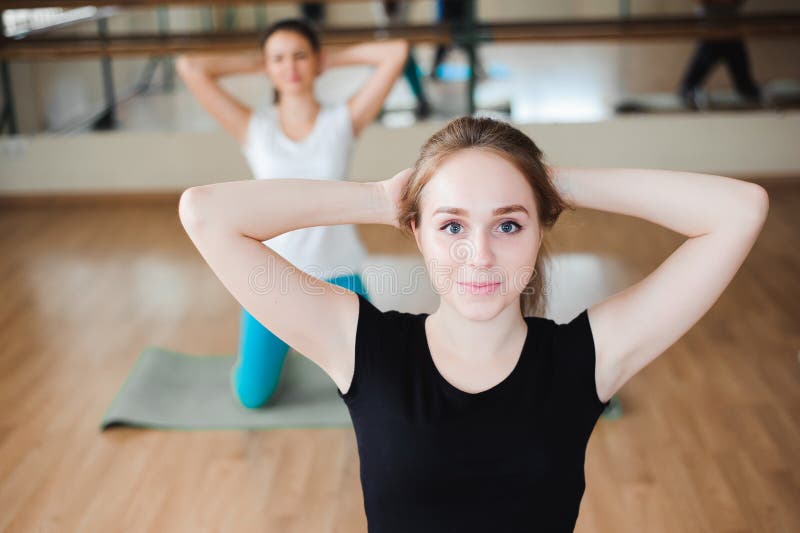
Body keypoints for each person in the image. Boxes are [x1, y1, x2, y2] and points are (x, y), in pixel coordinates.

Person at [178, 116, 768, 531]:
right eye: (452, 226)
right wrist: (378, 200)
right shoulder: (364, 348)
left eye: (508, 224)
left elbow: (739, 211)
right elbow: (205, 213)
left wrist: (548, 183)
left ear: (540, 230)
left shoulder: (587, 358)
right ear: (417, 231)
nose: (479, 255)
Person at [175, 19, 409, 408]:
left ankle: (313, 345)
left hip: (341, 275)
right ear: (267, 66)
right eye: (278, 59)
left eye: (300, 56)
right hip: (269, 278)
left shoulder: (341, 122)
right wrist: (262, 62)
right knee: (252, 396)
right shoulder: (254, 127)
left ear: (318, 61)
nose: (290, 67)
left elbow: (395, 51)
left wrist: (324, 60)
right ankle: (288, 348)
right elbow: (190, 67)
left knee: (381, 388)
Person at [678, 0, 762, 110]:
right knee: (687, 88)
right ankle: (693, 97)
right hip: (710, 36)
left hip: (731, 35)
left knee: (747, 90)